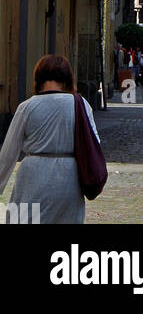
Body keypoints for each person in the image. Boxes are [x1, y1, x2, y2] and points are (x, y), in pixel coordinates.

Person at [0, 54, 102, 224]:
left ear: (38, 78)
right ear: (67, 78)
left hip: (32, 178)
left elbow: (8, 153)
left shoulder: (27, 107)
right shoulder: (81, 104)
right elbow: (95, 143)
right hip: (70, 179)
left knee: (22, 221)